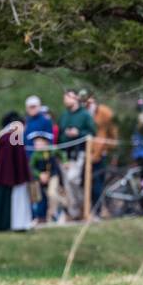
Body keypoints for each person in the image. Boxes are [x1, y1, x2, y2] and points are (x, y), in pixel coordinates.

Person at [0, 113, 32, 231]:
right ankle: (17, 225)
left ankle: (0, 224)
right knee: (16, 201)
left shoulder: (4, 136)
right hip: (14, 178)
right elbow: (19, 159)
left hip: (3, 176)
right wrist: (24, 175)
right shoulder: (14, 136)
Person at [56, 89, 95, 219]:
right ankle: (75, 213)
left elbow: (92, 133)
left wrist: (78, 133)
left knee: (74, 179)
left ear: (76, 98)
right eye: (64, 98)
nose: (66, 100)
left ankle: (82, 204)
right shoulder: (64, 116)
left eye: (69, 97)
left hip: (79, 152)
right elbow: (59, 134)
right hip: (65, 154)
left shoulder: (85, 115)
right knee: (67, 182)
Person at [87, 94, 118, 213]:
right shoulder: (85, 113)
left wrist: (107, 147)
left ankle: (97, 210)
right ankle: (88, 209)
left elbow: (113, 133)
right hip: (86, 154)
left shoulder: (104, 112)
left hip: (100, 154)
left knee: (98, 183)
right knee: (87, 184)